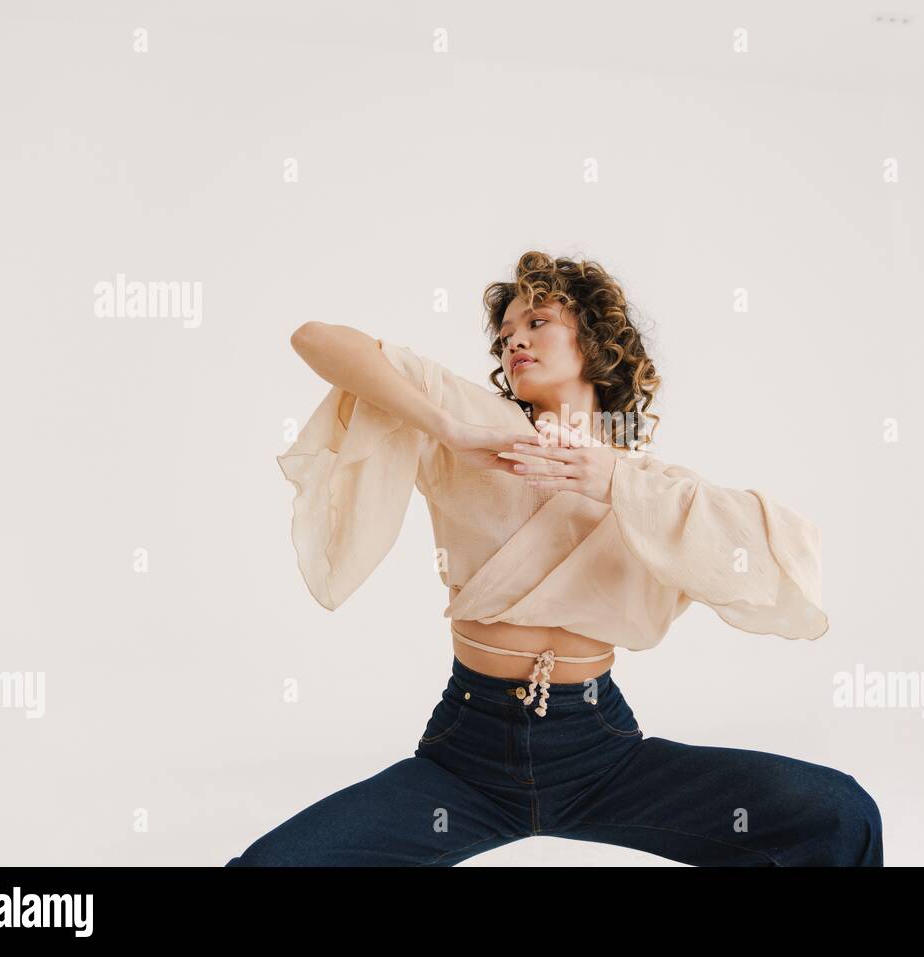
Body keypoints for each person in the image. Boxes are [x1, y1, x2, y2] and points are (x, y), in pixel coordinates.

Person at [226, 251, 882, 866]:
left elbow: (781, 552)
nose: (515, 339)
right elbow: (316, 338)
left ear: (594, 341)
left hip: (601, 753)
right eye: (506, 331)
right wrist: (445, 426)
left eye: (538, 321)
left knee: (839, 812)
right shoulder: (471, 429)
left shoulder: (650, 485)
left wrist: (617, 485)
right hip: (466, 757)